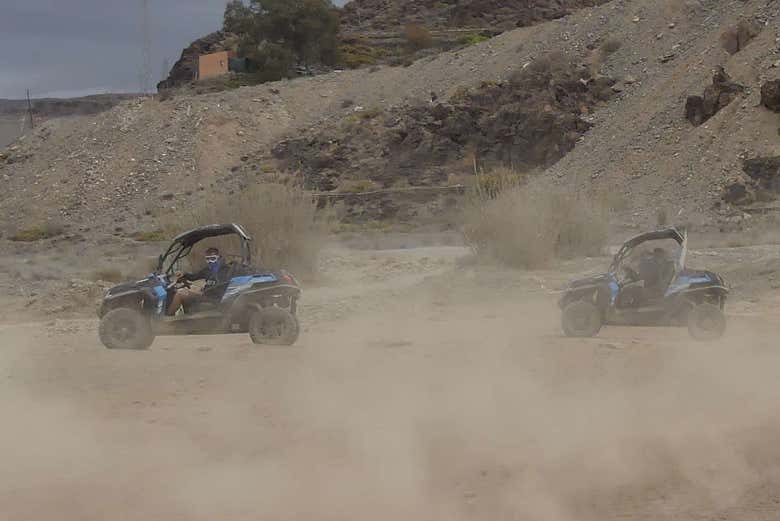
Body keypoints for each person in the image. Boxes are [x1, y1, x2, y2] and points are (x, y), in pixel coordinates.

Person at [166, 247, 232, 316]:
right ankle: (187, 318)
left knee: (180, 294)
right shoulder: (207, 270)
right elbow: (194, 276)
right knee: (184, 290)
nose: (210, 261)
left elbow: (221, 286)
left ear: (218, 257)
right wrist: (183, 274)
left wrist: (202, 291)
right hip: (206, 294)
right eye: (208, 259)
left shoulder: (226, 270)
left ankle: (168, 320)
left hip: (214, 298)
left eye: (213, 259)